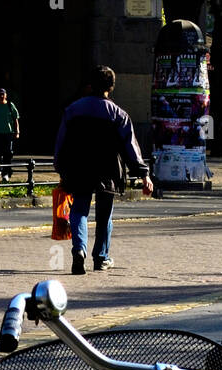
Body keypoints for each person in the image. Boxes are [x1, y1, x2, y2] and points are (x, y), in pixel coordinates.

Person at [54, 64, 153, 274]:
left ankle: (79, 249)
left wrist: (60, 167)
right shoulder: (119, 115)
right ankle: (101, 257)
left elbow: (61, 142)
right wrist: (144, 174)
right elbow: (130, 147)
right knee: (104, 215)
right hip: (108, 169)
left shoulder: (72, 111)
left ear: (89, 85)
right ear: (112, 86)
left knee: (79, 210)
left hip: (78, 168)